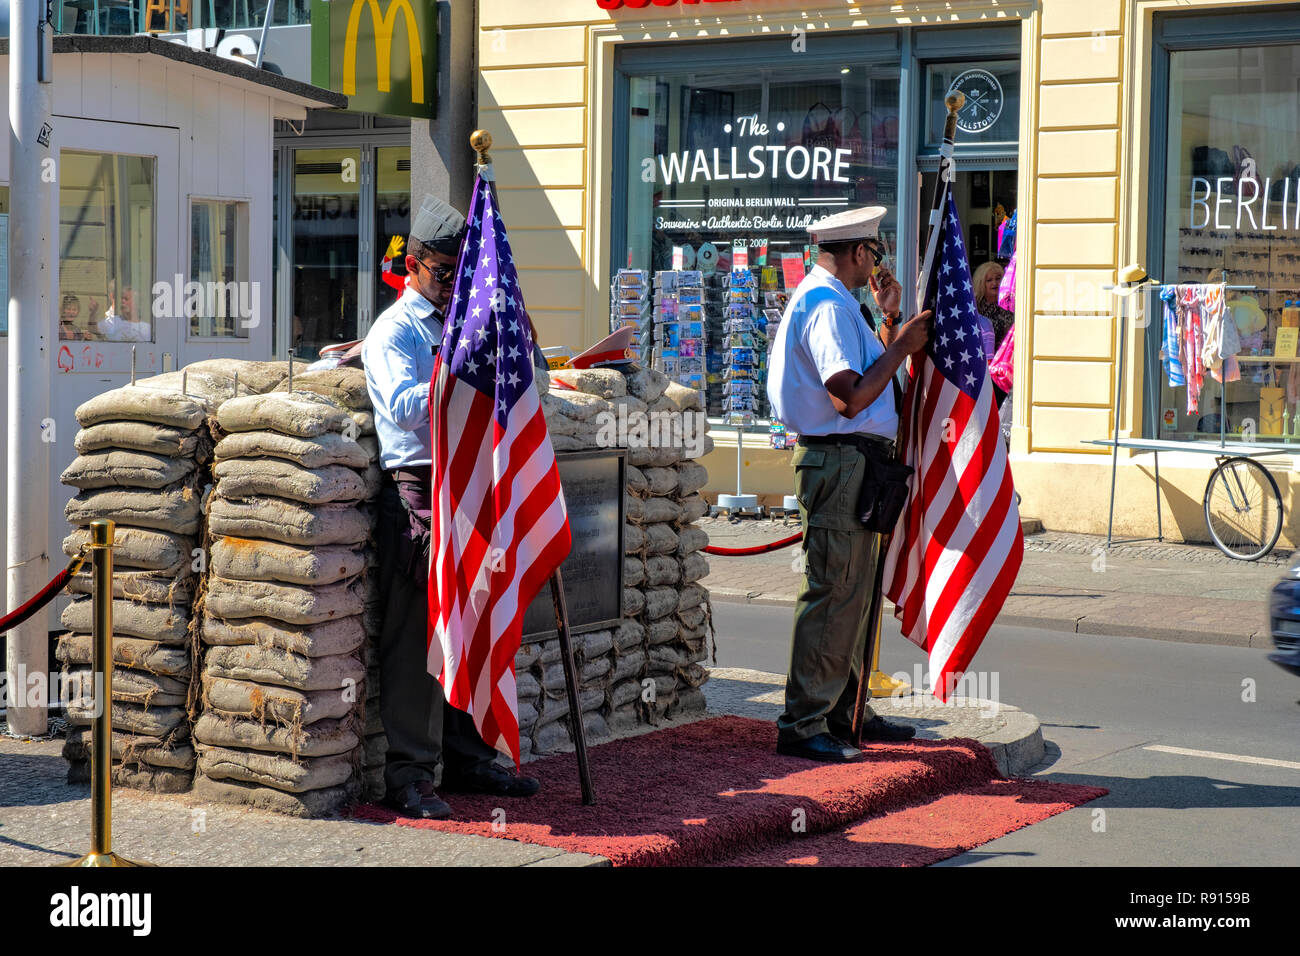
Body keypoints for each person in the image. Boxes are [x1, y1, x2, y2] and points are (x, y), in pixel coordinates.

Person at [362, 194, 540, 820]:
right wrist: (458, 367)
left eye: (458, 273)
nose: (449, 284)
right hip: (420, 487)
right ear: (412, 265)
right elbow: (404, 407)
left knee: (473, 622)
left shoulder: (461, 322)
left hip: (471, 485)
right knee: (418, 639)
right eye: (440, 272)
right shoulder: (395, 330)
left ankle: (468, 757)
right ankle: (409, 775)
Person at [766, 206, 932, 763]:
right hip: (839, 461)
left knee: (855, 594)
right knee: (835, 590)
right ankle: (805, 720)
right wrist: (902, 346)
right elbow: (850, 397)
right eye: (875, 254)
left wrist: (888, 324)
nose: (877, 265)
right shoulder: (825, 305)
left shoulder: (841, 304)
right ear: (859, 252)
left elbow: (867, 382)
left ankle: (847, 709)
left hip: (854, 462)